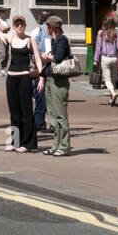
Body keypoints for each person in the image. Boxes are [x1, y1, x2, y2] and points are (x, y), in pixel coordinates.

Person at [0, 14, 42, 152]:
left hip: (24, 78)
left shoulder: (30, 40)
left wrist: (41, 77)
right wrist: (2, 33)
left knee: (26, 111)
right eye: (17, 24)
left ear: (25, 26)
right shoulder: (10, 37)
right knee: (14, 112)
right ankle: (15, 141)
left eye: (22, 24)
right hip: (11, 78)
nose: (19, 26)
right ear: (13, 26)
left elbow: (38, 58)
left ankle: (29, 144)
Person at [40, 16, 74, 157]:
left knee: (60, 115)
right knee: (53, 116)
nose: (46, 29)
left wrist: (47, 56)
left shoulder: (61, 40)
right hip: (51, 80)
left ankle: (64, 146)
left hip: (59, 82)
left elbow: (59, 57)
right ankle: (56, 145)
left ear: (52, 27)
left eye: (47, 27)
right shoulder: (54, 40)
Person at [95, 16, 118, 107]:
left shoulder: (101, 33)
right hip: (115, 58)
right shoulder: (117, 33)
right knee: (113, 78)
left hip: (105, 58)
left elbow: (98, 48)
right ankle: (111, 99)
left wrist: (96, 60)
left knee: (107, 79)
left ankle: (113, 93)